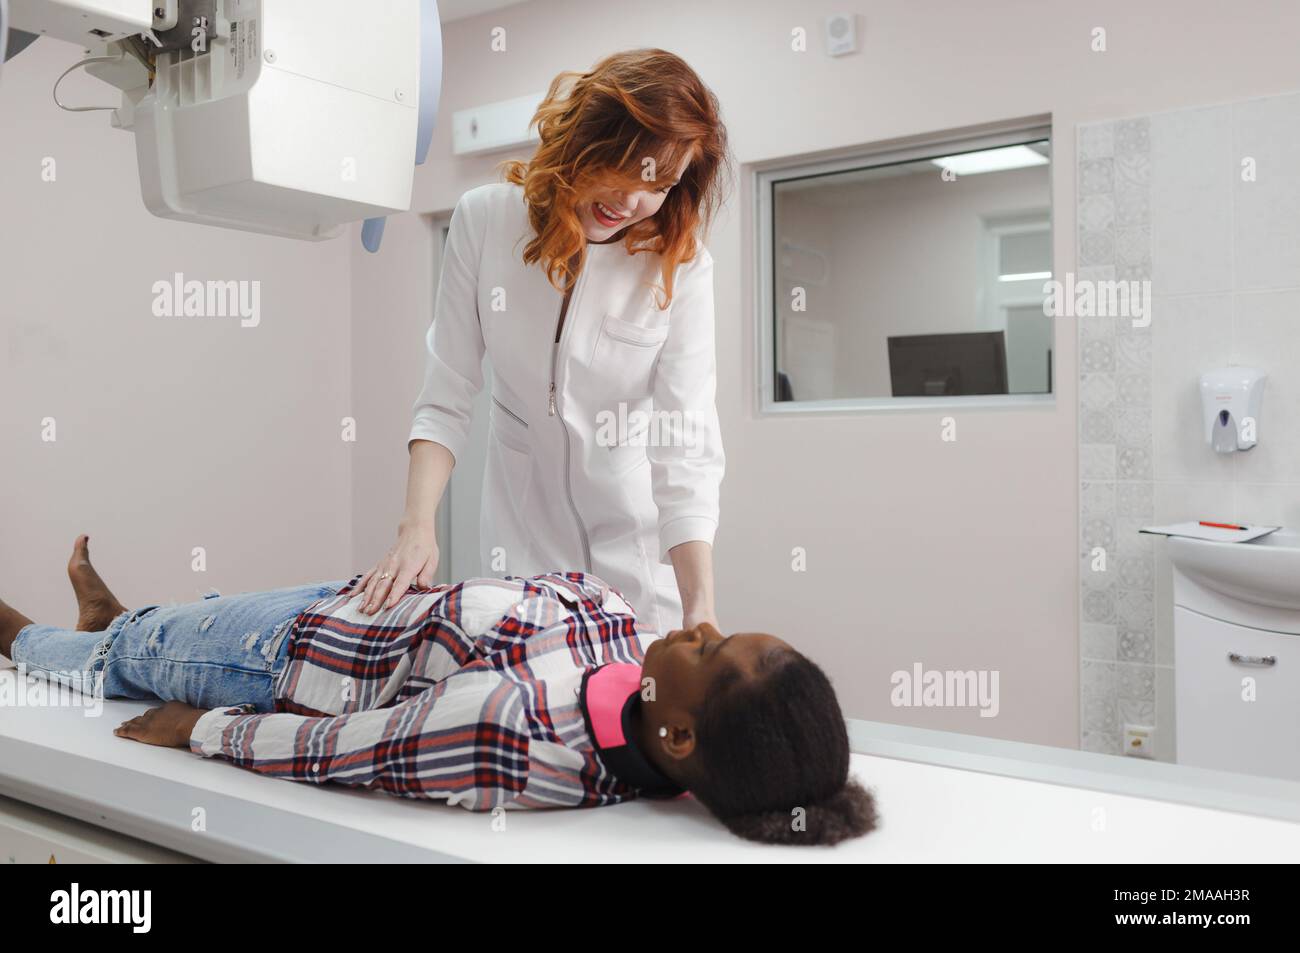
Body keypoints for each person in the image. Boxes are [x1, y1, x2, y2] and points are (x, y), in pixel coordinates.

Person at [0, 536, 877, 846]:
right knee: (146, 635)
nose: (700, 625)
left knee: (129, 656)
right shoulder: (644, 684)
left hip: (278, 659)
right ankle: (111, 624)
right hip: (346, 608)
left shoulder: (516, 738)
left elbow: (346, 750)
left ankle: (29, 636)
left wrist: (204, 728)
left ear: (680, 739)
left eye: (713, 651)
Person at [357, 48, 731, 642]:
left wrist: (700, 609)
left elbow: (684, 443)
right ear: (587, 136)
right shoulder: (484, 222)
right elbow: (447, 392)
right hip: (519, 561)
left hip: (634, 568)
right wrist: (417, 525)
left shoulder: (679, 268)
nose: (633, 199)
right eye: (628, 165)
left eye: (659, 183)